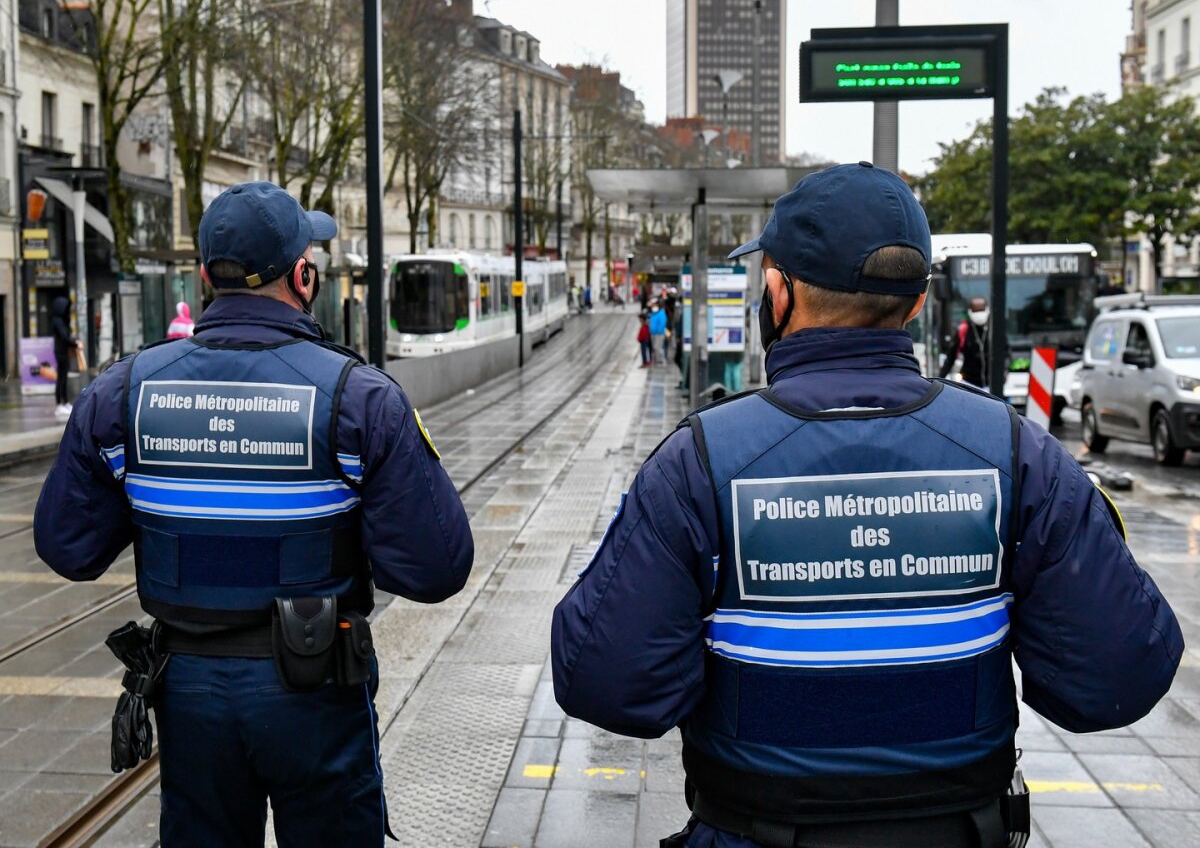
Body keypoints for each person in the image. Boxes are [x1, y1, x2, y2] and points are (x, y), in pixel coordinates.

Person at [551, 163, 1182, 848]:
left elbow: (603, 681)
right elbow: (1120, 674)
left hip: (754, 831)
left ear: (777, 293)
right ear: (915, 305)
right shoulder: (1017, 453)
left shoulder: (699, 460)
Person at [34, 181, 475, 847]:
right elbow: (437, 568)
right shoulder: (359, 399)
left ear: (206, 276)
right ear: (304, 275)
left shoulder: (120, 393)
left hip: (189, 693)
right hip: (316, 685)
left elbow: (68, 548)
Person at [940, 296, 990, 387]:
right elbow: (951, 357)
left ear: (987, 310)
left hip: (990, 383)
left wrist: (1005, 372)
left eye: (981, 310)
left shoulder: (994, 330)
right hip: (968, 382)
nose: (979, 314)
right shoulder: (964, 330)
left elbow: (1005, 351)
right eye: (976, 311)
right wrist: (940, 379)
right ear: (970, 312)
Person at [50, 296, 79, 418]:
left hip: (63, 351)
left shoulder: (62, 320)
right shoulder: (58, 320)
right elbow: (64, 336)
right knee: (61, 378)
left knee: (64, 378)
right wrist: (75, 343)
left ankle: (65, 402)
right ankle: (59, 404)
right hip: (60, 352)